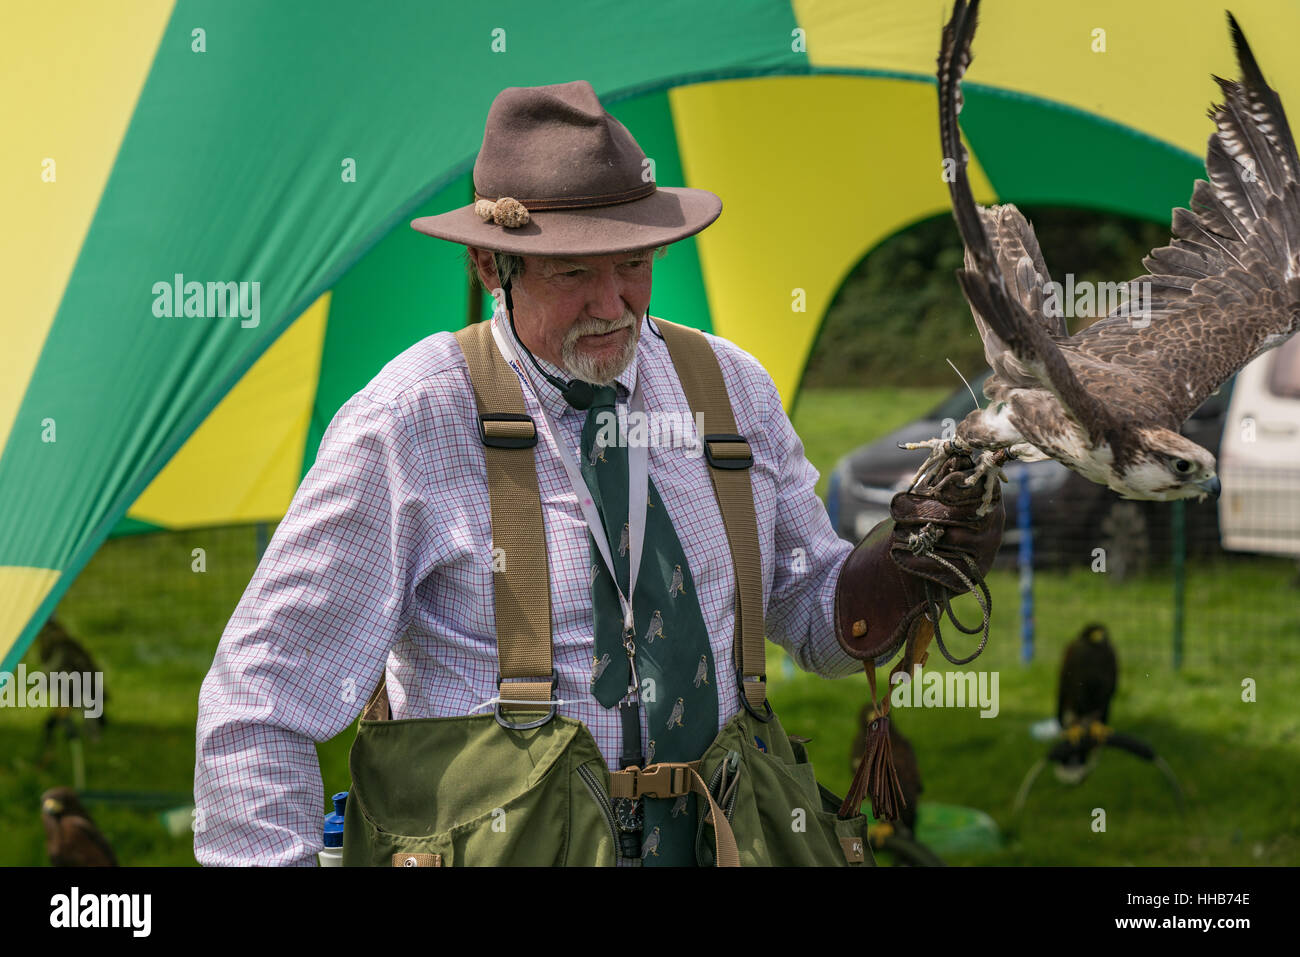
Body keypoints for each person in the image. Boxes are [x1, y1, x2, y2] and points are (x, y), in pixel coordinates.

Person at [193, 80, 1002, 867]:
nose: (614, 302)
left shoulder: (731, 391)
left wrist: (907, 562)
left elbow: (816, 619)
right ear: (489, 264)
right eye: (575, 273)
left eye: (635, 264)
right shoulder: (412, 420)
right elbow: (257, 705)